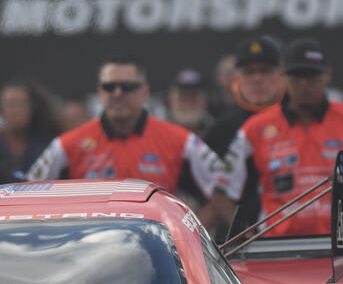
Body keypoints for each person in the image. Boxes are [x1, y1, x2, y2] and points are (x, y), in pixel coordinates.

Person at [223, 38, 343, 239]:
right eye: (298, 76)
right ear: (284, 78)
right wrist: (248, 239)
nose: (305, 84)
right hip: (278, 248)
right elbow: (221, 190)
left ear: (327, 75)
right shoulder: (256, 128)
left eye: (312, 75)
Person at [27, 55, 235, 231]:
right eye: (110, 87)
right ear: (100, 92)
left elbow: (225, 193)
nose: (118, 93)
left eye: (127, 87)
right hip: (88, 259)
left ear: (145, 91)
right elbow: (27, 197)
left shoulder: (180, 140)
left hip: (158, 259)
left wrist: (187, 232)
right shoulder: (67, 145)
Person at [204, 35, 286, 236]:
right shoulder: (220, 131)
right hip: (236, 246)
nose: (257, 78)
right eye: (249, 72)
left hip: (292, 240)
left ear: (281, 75)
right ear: (236, 79)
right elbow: (209, 195)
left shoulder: (298, 121)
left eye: (265, 71)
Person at [0, 80, 58, 175]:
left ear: (31, 110)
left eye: (22, 104)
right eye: (11, 104)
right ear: (1, 109)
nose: (17, 111)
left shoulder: (46, 148)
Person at [166, 69, 212, 135]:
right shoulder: (156, 133)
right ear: (169, 100)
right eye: (182, 95)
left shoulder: (217, 133)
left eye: (193, 95)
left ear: (206, 100)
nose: (188, 102)